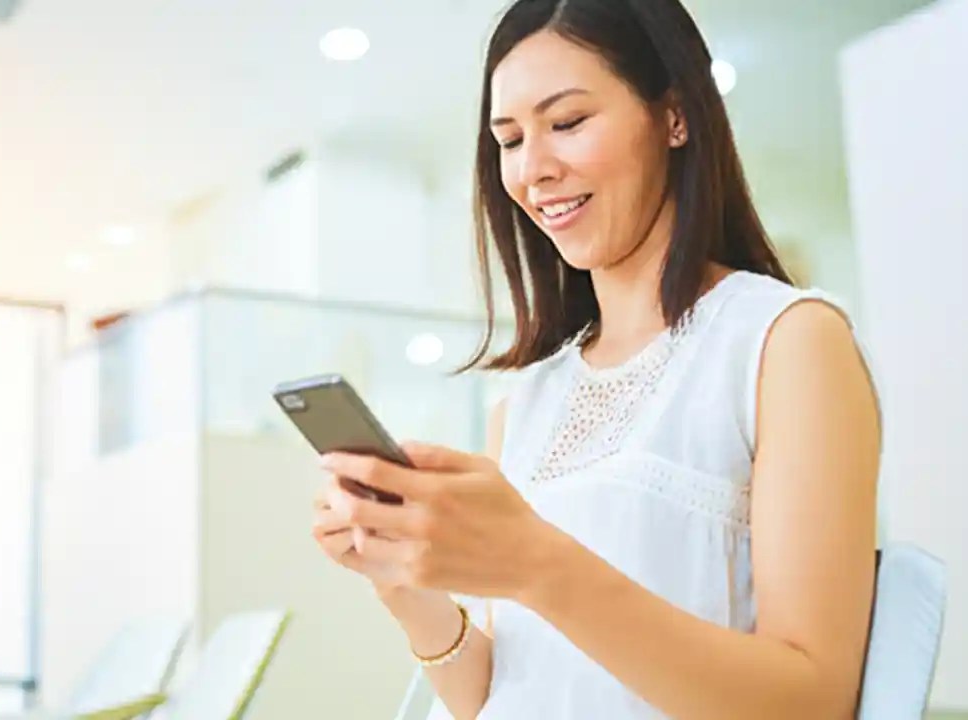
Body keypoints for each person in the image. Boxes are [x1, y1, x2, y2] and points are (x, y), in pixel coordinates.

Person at [311, 0, 881, 718]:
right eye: (510, 139)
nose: (533, 169)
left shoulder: (785, 341)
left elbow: (814, 701)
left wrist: (536, 564)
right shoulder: (527, 401)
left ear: (674, 115)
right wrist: (401, 583)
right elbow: (499, 693)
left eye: (568, 123)